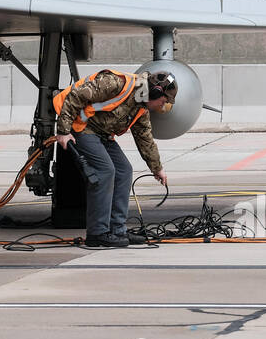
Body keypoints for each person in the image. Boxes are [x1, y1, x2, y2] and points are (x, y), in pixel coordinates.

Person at [54, 69, 176, 249]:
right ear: (156, 91)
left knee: (124, 170)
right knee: (105, 171)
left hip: (101, 134)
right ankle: (97, 233)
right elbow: (76, 95)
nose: (161, 105)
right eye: (163, 101)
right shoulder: (116, 83)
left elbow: (144, 137)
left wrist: (157, 168)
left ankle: (117, 230)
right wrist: (63, 131)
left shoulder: (141, 108)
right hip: (81, 127)